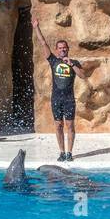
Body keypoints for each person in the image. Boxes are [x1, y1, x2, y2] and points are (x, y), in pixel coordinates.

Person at [32, 16, 85, 162]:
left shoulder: (73, 62)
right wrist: (36, 27)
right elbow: (43, 43)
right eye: (60, 48)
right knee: (58, 126)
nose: (62, 50)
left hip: (69, 99)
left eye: (64, 48)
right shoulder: (53, 61)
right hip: (56, 98)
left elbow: (82, 76)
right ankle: (61, 152)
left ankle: (69, 153)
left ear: (68, 49)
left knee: (70, 126)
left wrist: (72, 64)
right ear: (56, 50)